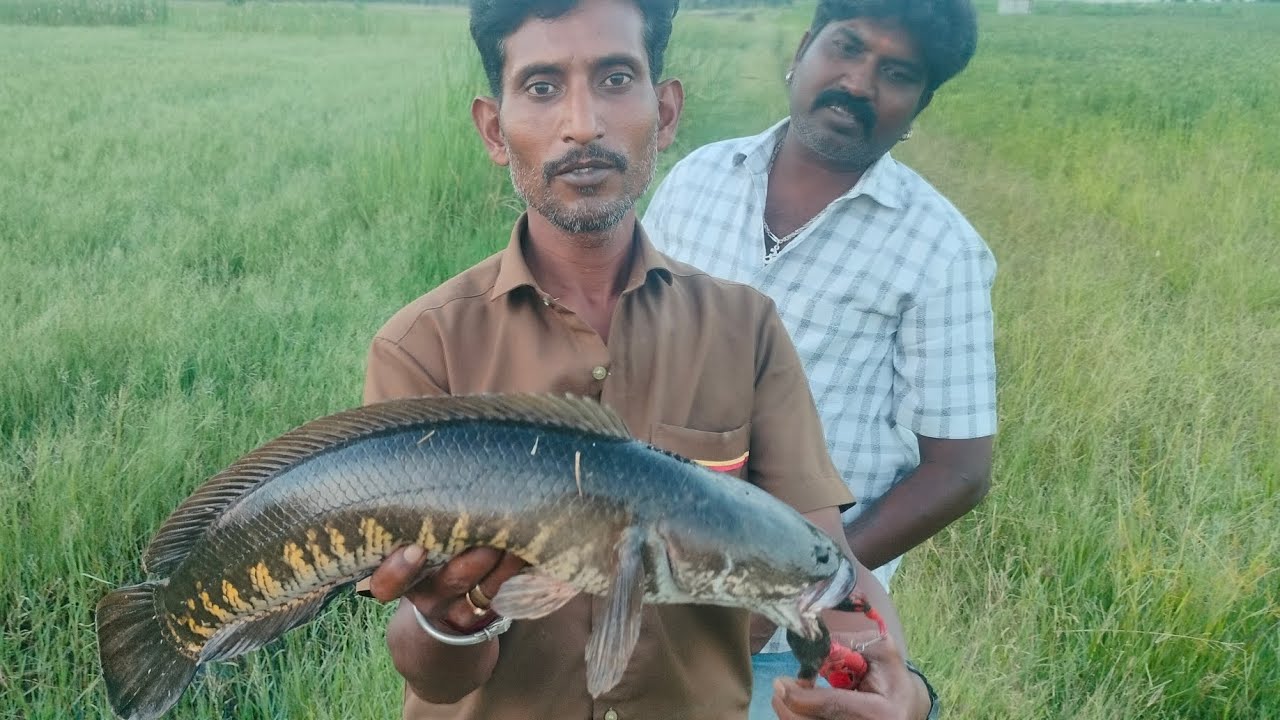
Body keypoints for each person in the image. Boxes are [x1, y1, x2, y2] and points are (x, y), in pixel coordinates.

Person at [356, 0, 938, 718]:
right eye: (541, 87)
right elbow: (436, 680)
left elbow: (819, 570)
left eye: (615, 78)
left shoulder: (747, 332)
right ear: (493, 128)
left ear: (664, 112)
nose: (583, 124)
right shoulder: (423, 345)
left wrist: (887, 682)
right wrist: (446, 616)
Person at [643, 0, 995, 715]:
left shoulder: (940, 251)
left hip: (796, 637)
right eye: (846, 48)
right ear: (803, 50)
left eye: (896, 73)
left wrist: (804, 581)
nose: (858, 83)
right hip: (655, 584)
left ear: (919, 105)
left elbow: (958, 469)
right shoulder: (697, 180)